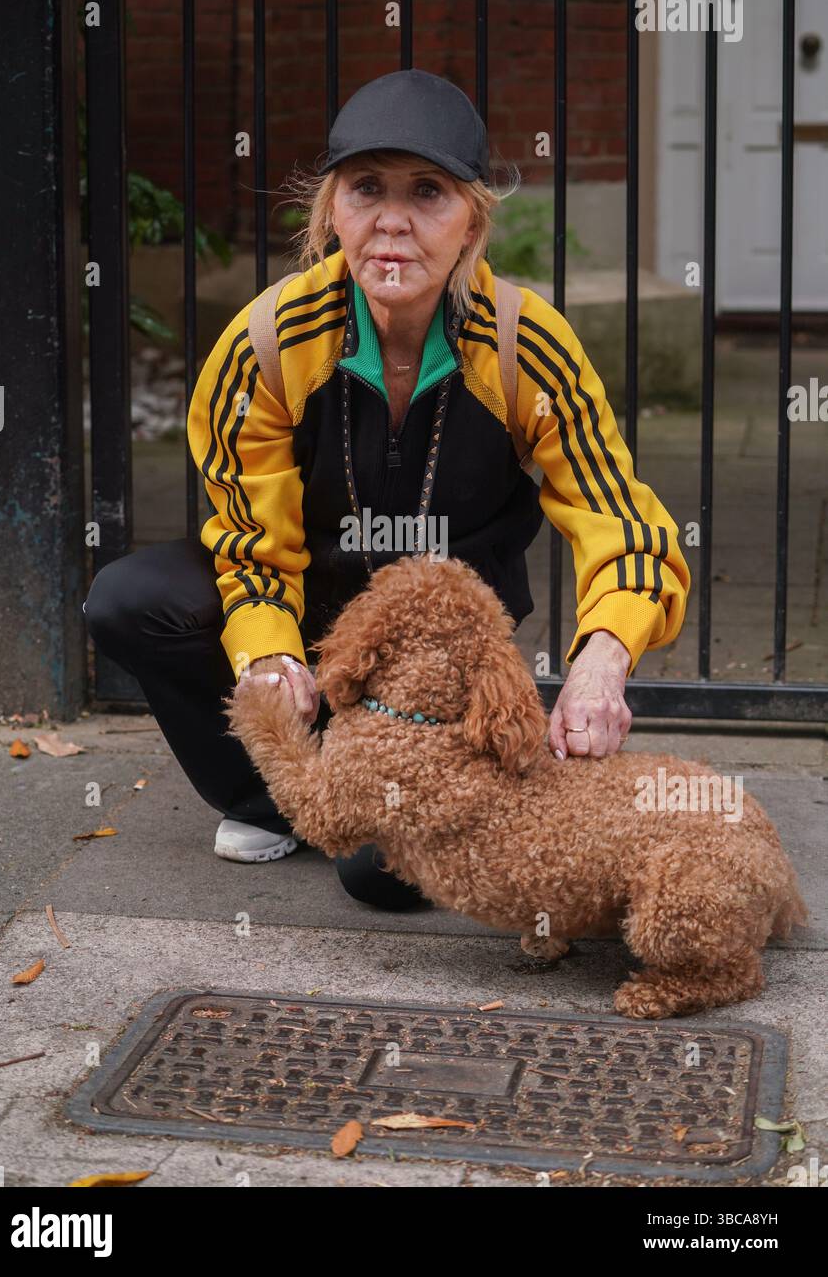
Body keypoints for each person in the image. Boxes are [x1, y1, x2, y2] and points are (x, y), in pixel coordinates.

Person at [84, 68, 690, 909]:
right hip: (310, 608)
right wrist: (266, 651)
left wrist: (601, 661)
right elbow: (250, 541)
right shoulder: (266, 343)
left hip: (435, 652)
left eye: (429, 192)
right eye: (366, 188)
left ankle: (364, 812)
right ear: (331, 209)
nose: (393, 220)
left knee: (383, 879)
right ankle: (274, 799)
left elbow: (621, 523)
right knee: (128, 598)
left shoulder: (524, 346)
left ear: (471, 217)